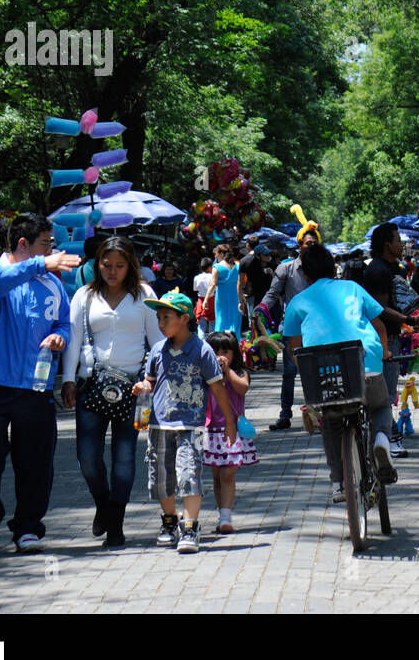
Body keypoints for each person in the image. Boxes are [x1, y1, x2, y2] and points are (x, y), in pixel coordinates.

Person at [0, 213, 80, 556]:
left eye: (51, 245)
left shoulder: (53, 283)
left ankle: (28, 528)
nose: (52, 251)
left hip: (36, 387)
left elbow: (64, 322)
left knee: (35, 461)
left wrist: (59, 336)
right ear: (23, 244)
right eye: (46, 244)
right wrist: (41, 264)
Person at [61, 236, 161, 548]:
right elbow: (74, 340)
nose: (113, 271)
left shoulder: (144, 294)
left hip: (133, 387)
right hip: (91, 385)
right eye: (107, 265)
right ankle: (103, 504)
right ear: (97, 264)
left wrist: (153, 380)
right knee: (87, 457)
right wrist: (67, 380)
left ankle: (115, 523)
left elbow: (157, 341)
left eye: (119, 266)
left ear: (131, 265)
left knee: (125, 456)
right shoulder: (84, 296)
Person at [282, 245, 397, 503]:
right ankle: (381, 439)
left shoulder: (298, 302)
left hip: (324, 373)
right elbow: (379, 325)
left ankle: (338, 483)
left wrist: (308, 374)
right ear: (334, 268)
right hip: (365, 362)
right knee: (379, 405)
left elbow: (294, 348)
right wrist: (386, 352)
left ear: (305, 275)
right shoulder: (353, 289)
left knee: (332, 420)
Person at [134, 291, 237, 554]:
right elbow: (151, 381)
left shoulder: (202, 350)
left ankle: (190, 526)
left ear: (184, 318)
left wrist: (229, 422)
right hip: (159, 425)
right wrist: (142, 386)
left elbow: (217, 389)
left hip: (191, 426)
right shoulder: (157, 349)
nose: (161, 323)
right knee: (160, 478)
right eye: (158, 317)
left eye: (166, 317)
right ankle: (170, 521)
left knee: (189, 474)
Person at [363, 223, 419, 457]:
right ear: (386, 245)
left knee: (386, 392)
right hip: (381, 339)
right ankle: (389, 439)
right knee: (385, 393)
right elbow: (379, 309)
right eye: (397, 240)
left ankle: (385, 437)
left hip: (392, 335)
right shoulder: (378, 270)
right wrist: (409, 321)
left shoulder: (392, 268)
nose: (401, 245)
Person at [260, 227, 322, 430]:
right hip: (293, 329)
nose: (311, 247)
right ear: (299, 245)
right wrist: (260, 309)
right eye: (308, 243)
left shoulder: (322, 269)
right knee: (289, 372)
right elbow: (272, 294)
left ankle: (317, 414)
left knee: (315, 372)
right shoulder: (286, 268)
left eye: (315, 244)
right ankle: (285, 415)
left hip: (318, 329)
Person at [202, 331, 258, 533]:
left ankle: (226, 517)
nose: (220, 355)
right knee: (217, 477)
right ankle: (222, 514)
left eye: (225, 351)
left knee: (228, 474)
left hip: (232, 432)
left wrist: (228, 372)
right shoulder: (205, 373)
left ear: (234, 353)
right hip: (211, 431)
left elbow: (242, 388)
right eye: (215, 351)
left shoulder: (240, 372)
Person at [207, 244, 241, 335]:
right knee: (234, 321)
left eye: (216, 254)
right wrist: (241, 300)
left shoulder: (217, 267)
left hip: (221, 297)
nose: (215, 256)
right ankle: (235, 343)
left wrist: (206, 299)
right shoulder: (237, 266)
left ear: (221, 254)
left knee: (221, 319)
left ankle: (221, 343)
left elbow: (212, 284)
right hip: (235, 297)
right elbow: (240, 284)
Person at [239, 244, 274, 312]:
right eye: (266, 255)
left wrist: (272, 273)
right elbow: (241, 282)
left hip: (270, 298)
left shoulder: (272, 264)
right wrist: (241, 300)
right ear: (258, 256)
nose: (268, 256)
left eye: (269, 254)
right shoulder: (250, 265)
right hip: (255, 298)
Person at [192, 257, 214, 338]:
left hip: (201, 301)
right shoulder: (212, 277)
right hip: (211, 301)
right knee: (213, 326)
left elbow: (195, 289)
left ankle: (201, 344)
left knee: (201, 327)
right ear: (209, 267)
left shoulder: (197, 277)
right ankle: (212, 344)